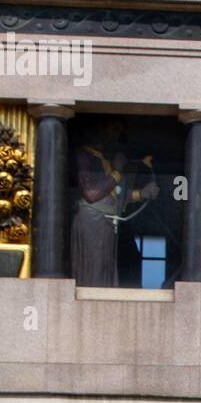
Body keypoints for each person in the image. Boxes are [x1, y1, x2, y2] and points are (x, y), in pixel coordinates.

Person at [71, 120, 158, 287]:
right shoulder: (83, 154)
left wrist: (142, 193)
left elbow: (114, 195)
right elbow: (92, 193)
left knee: (106, 274)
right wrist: (117, 171)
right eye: (114, 128)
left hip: (106, 222)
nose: (116, 135)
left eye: (119, 131)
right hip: (92, 221)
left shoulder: (104, 160)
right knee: (94, 274)